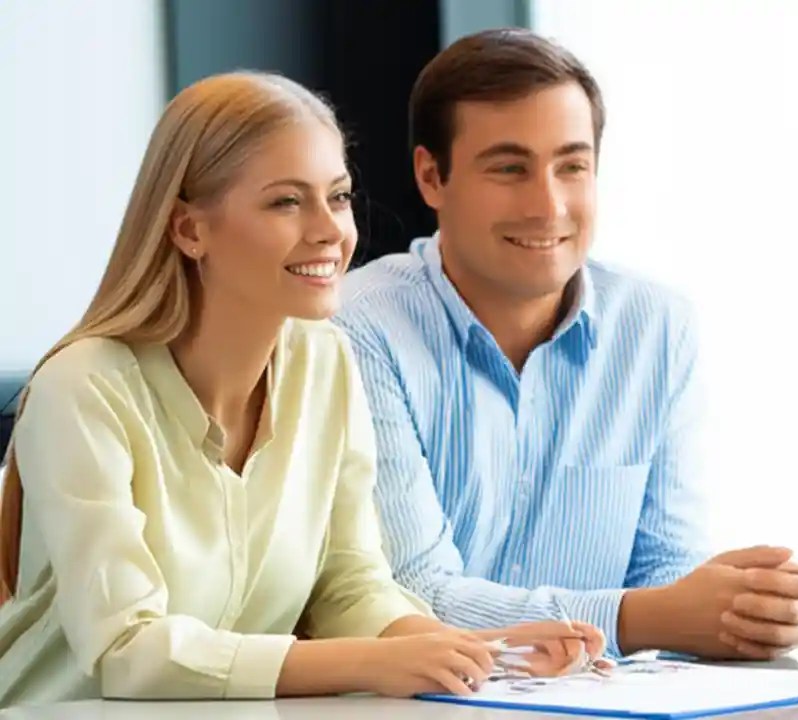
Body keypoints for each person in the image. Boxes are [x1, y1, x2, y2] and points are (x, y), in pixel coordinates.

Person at [0, 71, 601, 708]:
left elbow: (351, 584)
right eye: (286, 202)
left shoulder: (326, 360)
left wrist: (468, 652)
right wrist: (373, 661)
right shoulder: (82, 388)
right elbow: (127, 653)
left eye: (337, 197)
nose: (330, 231)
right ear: (188, 230)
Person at [334, 27, 798, 661]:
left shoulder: (656, 328)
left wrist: (744, 609)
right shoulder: (356, 328)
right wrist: (643, 616)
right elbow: (411, 596)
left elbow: (668, 577)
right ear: (432, 177)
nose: (549, 205)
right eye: (509, 168)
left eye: (572, 166)